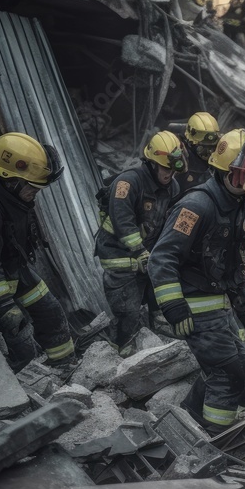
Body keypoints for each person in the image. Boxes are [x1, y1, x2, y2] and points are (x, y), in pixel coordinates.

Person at [148, 128, 245, 434]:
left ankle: (187, 421)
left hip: (218, 305)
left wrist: (242, 300)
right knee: (228, 373)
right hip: (194, 305)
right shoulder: (196, 206)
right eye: (240, 177)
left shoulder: (241, 204)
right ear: (222, 171)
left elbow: (232, 257)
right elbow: (162, 257)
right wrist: (173, 305)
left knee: (234, 365)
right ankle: (214, 437)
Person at [0, 132, 76, 371]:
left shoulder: (11, 193)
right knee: (21, 348)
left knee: (51, 316)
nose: (36, 192)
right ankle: (20, 393)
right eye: (32, 186)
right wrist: (4, 306)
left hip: (16, 271)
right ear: (10, 178)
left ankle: (64, 370)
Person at [95, 131, 186, 354]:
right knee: (128, 310)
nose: (170, 173)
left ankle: (156, 335)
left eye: (173, 169)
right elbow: (122, 220)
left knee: (161, 297)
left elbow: (169, 223)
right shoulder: (128, 182)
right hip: (118, 254)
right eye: (166, 168)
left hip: (147, 254)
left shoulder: (172, 187)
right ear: (152, 163)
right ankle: (118, 348)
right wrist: (139, 251)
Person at [180, 112, 220, 191]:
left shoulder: (219, 156)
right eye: (203, 147)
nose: (210, 151)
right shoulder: (182, 160)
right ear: (191, 143)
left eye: (212, 146)